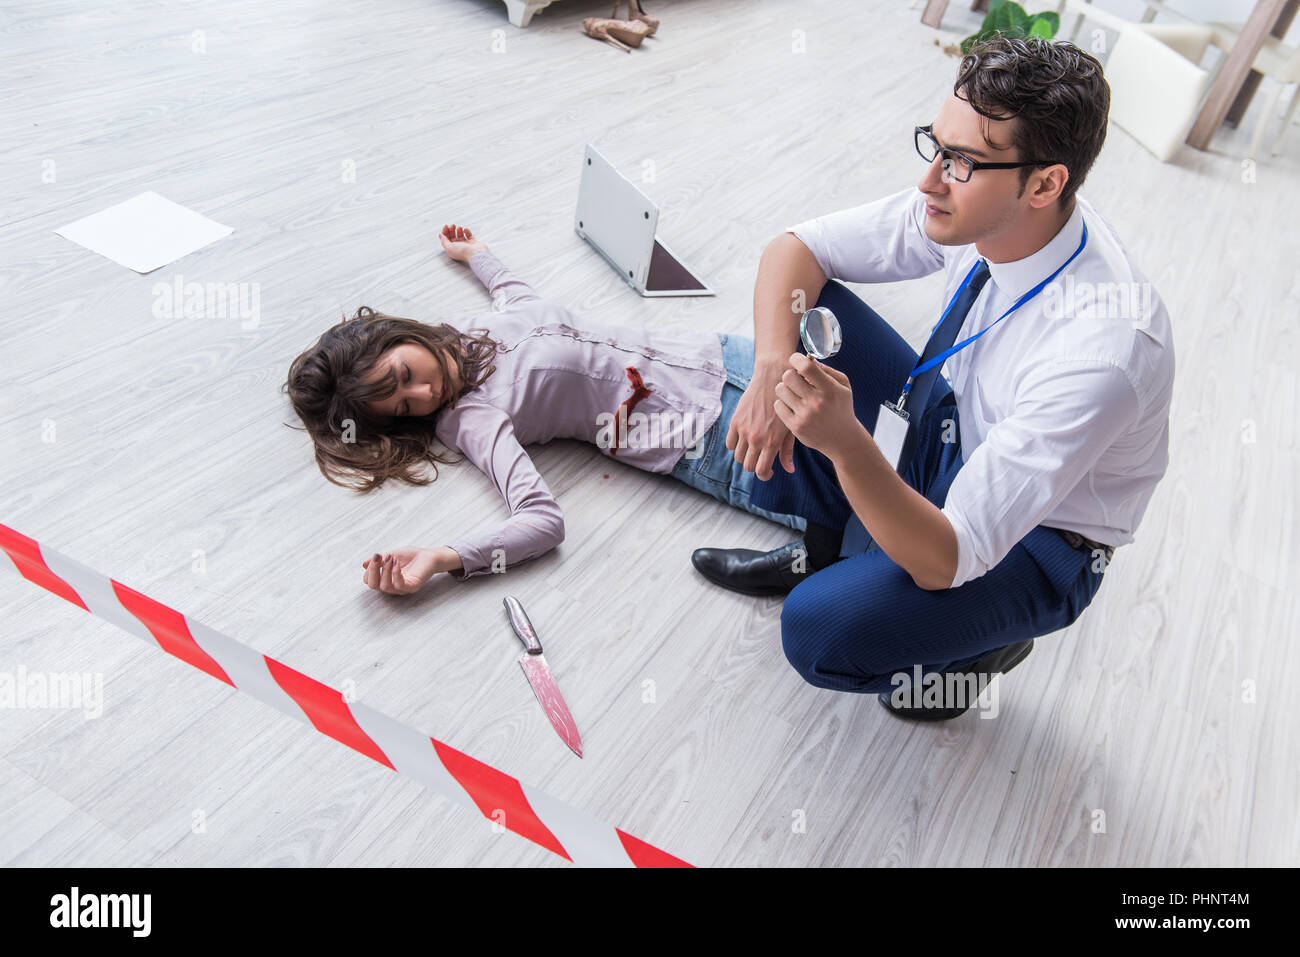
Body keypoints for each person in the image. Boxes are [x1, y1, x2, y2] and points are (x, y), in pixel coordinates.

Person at [691, 35, 1175, 720]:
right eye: (936, 146)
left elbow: (951, 554)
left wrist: (848, 445)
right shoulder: (989, 208)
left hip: (1037, 538)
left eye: (963, 162)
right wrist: (771, 370)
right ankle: (829, 550)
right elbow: (796, 248)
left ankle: (979, 647)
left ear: (1045, 183)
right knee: (802, 315)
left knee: (820, 631)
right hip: (958, 432)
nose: (929, 181)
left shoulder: (1103, 350)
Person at [282, 224, 806, 595]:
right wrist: (447, 558)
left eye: (405, 376)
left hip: (720, 356)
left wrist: (478, 255)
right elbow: (543, 521)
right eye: (402, 407)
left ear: (399, 336)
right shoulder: (470, 418)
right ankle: (829, 560)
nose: (422, 396)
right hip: (705, 438)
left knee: (879, 407)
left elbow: (519, 299)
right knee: (859, 490)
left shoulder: (465, 329)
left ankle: (830, 557)